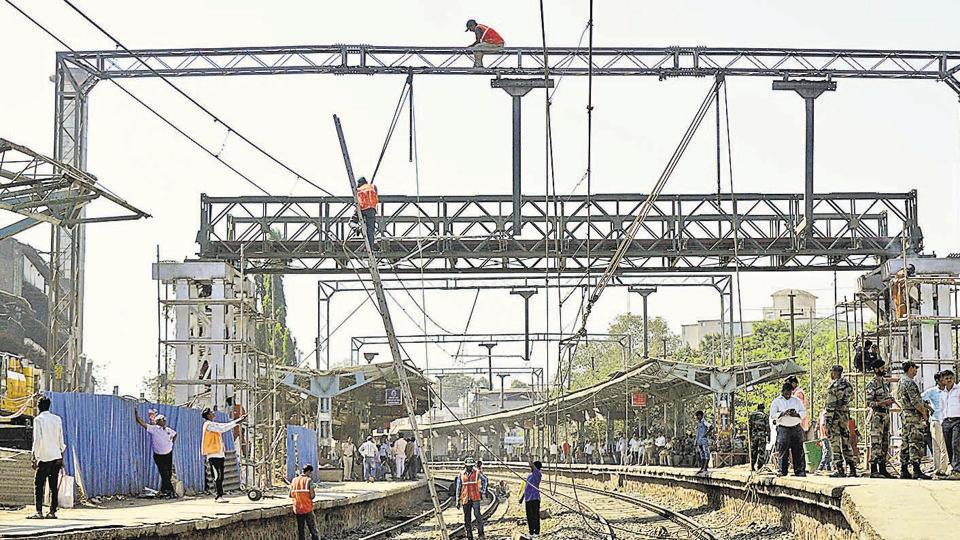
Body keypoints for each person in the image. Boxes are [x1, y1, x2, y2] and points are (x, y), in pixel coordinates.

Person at [29, 396, 65, 520]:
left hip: (44, 457)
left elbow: (37, 440)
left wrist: (34, 456)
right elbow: (61, 439)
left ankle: (39, 512)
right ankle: (52, 512)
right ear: (49, 406)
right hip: (56, 456)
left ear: (39, 407)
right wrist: (61, 455)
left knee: (39, 484)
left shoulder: (38, 420)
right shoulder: (57, 419)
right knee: (53, 485)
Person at [201, 407, 246, 502]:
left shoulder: (212, 424)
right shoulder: (208, 425)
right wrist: (237, 422)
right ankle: (218, 496)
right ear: (208, 415)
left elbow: (223, 426)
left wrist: (238, 421)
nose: (214, 413)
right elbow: (222, 428)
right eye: (212, 412)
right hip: (213, 454)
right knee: (217, 476)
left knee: (220, 476)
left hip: (219, 454)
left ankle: (220, 495)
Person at [896, 361, 931, 479]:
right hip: (912, 415)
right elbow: (915, 402)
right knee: (915, 441)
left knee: (905, 442)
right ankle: (916, 470)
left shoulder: (901, 381)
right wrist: (924, 414)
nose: (916, 370)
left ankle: (904, 469)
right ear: (910, 368)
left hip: (905, 414)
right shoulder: (909, 382)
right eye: (915, 368)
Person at [134, 409, 178, 497]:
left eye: (165, 420)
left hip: (168, 453)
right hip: (159, 455)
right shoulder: (153, 429)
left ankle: (164, 491)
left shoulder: (168, 430)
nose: (165, 421)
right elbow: (142, 423)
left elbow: (175, 434)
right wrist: (136, 415)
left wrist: (172, 443)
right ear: (158, 422)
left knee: (168, 473)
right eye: (163, 420)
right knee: (163, 473)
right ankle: (170, 491)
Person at [864, 361, 896, 478]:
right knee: (876, 442)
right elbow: (869, 402)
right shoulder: (872, 384)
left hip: (886, 415)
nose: (884, 369)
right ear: (876, 369)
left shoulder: (884, 382)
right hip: (877, 416)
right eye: (882, 368)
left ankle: (883, 469)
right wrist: (883, 402)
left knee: (885, 442)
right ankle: (873, 470)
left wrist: (889, 400)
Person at [825, 365, 856, 477]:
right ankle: (852, 468)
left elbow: (830, 406)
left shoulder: (833, 387)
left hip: (835, 418)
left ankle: (839, 469)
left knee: (835, 443)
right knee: (846, 442)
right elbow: (851, 398)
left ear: (834, 372)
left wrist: (827, 423)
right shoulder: (848, 385)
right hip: (845, 416)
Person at [770, 382, 806, 477]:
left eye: (790, 393)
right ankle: (782, 470)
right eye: (786, 393)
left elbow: (803, 412)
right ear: (782, 392)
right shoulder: (777, 401)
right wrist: (782, 413)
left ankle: (799, 471)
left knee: (798, 450)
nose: (788, 395)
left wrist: (796, 414)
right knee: (783, 450)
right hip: (783, 428)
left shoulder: (796, 400)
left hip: (795, 427)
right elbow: (772, 415)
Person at [922, 371, 949, 477]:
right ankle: (940, 469)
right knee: (938, 446)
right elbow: (920, 398)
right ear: (938, 380)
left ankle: (940, 469)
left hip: (946, 420)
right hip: (936, 420)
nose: (945, 381)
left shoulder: (948, 391)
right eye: (943, 379)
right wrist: (929, 408)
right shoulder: (932, 391)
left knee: (943, 446)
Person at [455, 458, 485, 540]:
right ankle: (469, 536)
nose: (470, 468)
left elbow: (484, 480)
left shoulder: (477, 472)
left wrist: (482, 491)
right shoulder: (461, 474)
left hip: (475, 497)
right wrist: (457, 499)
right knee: (467, 518)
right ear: (465, 466)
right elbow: (458, 487)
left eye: (471, 466)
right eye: (468, 466)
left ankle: (481, 534)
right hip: (465, 498)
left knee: (477, 515)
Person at [939, 369, 960, 477]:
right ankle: (953, 468)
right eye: (947, 378)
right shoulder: (943, 393)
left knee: (956, 444)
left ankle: (958, 469)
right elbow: (941, 408)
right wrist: (942, 421)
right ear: (943, 380)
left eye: (951, 378)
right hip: (947, 421)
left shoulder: (958, 390)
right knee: (949, 446)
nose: (949, 380)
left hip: (957, 420)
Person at [289, 464, 319, 540]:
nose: (311, 475)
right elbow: (312, 496)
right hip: (307, 508)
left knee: (301, 530)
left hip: (298, 508)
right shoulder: (309, 481)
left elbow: (290, 495)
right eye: (310, 473)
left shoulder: (294, 480)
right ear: (308, 472)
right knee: (313, 529)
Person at [520, 460, 542, 539]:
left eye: (533, 467)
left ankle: (537, 532)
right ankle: (531, 531)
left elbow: (534, 468)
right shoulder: (529, 475)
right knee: (529, 516)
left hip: (535, 498)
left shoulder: (538, 474)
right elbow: (526, 487)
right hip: (528, 499)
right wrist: (522, 497)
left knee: (535, 515)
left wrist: (531, 464)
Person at [355, 177, 378, 248]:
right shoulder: (373, 187)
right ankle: (370, 247)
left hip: (362, 208)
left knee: (351, 222)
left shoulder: (358, 189)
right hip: (372, 209)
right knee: (370, 230)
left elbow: (358, 200)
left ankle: (357, 228)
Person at [748, 404, 769, 471]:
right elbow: (767, 427)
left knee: (753, 450)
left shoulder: (752, 415)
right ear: (763, 408)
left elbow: (749, 426)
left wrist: (749, 436)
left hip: (754, 435)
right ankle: (759, 466)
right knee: (761, 451)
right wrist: (769, 436)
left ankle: (752, 465)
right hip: (762, 435)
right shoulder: (765, 415)